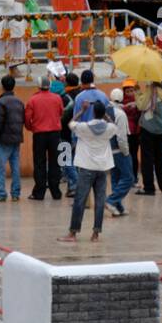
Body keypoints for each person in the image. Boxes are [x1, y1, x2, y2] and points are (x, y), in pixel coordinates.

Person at [64, 100, 118, 243]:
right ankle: (95, 234)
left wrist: (82, 110)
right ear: (103, 113)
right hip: (102, 168)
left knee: (80, 201)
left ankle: (73, 233)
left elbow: (70, 123)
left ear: (93, 112)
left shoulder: (84, 127)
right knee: (100, 201)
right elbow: (113, 124)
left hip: (86, 167)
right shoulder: (109, 128)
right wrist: (106, 115)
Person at [24, 75, 64, 201]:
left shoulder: (33, 100)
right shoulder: (57, 98)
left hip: (39, 134)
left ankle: (39, 192)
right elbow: (61, 112)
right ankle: (56, 192)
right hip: (54, 134)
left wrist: (31, 128)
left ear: (38, 85)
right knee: (55, 162)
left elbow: (27, 118)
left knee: (39, 163)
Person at [0, 74, 25, 202]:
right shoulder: (19, 101)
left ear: (2, 86)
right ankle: (15, 193)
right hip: (17, 138)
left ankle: (1, 193)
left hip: (4, 139)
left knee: (0, 167)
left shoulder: (0, 102)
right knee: (15, 166)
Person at [136, 77, 162, 196]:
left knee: (147, 160)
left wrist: (137, 92)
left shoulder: (151, 90)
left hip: (148, 129)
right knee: (161, 159)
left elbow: (141, 106)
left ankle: (149, 188)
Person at [106, 88, 134, 216]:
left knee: (116, 179)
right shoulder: (121, 115)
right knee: (128, 178)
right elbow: (122, 137)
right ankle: (111, 201)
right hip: (119, 150)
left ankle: (118, 207)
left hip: (108, 150)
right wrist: (126, 152)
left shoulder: (106, 111)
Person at [59, 71, 81, 197]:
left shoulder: (65, 97)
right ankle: (72, 186)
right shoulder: (81, 94)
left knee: (65, 160)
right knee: (75, 161)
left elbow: (63, 116)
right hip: (79, 133)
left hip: (65, 132)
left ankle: (76, 185)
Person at [119, 79, 141, 182]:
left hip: (135, 132)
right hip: (125, 131)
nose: (130, 93)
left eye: (132, 91)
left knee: (133, 155)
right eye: (127, 91)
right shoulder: (121, 103)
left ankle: (134, 176)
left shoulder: (139, 102)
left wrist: (137, 106)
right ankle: (127, 176)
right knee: (125, 155)